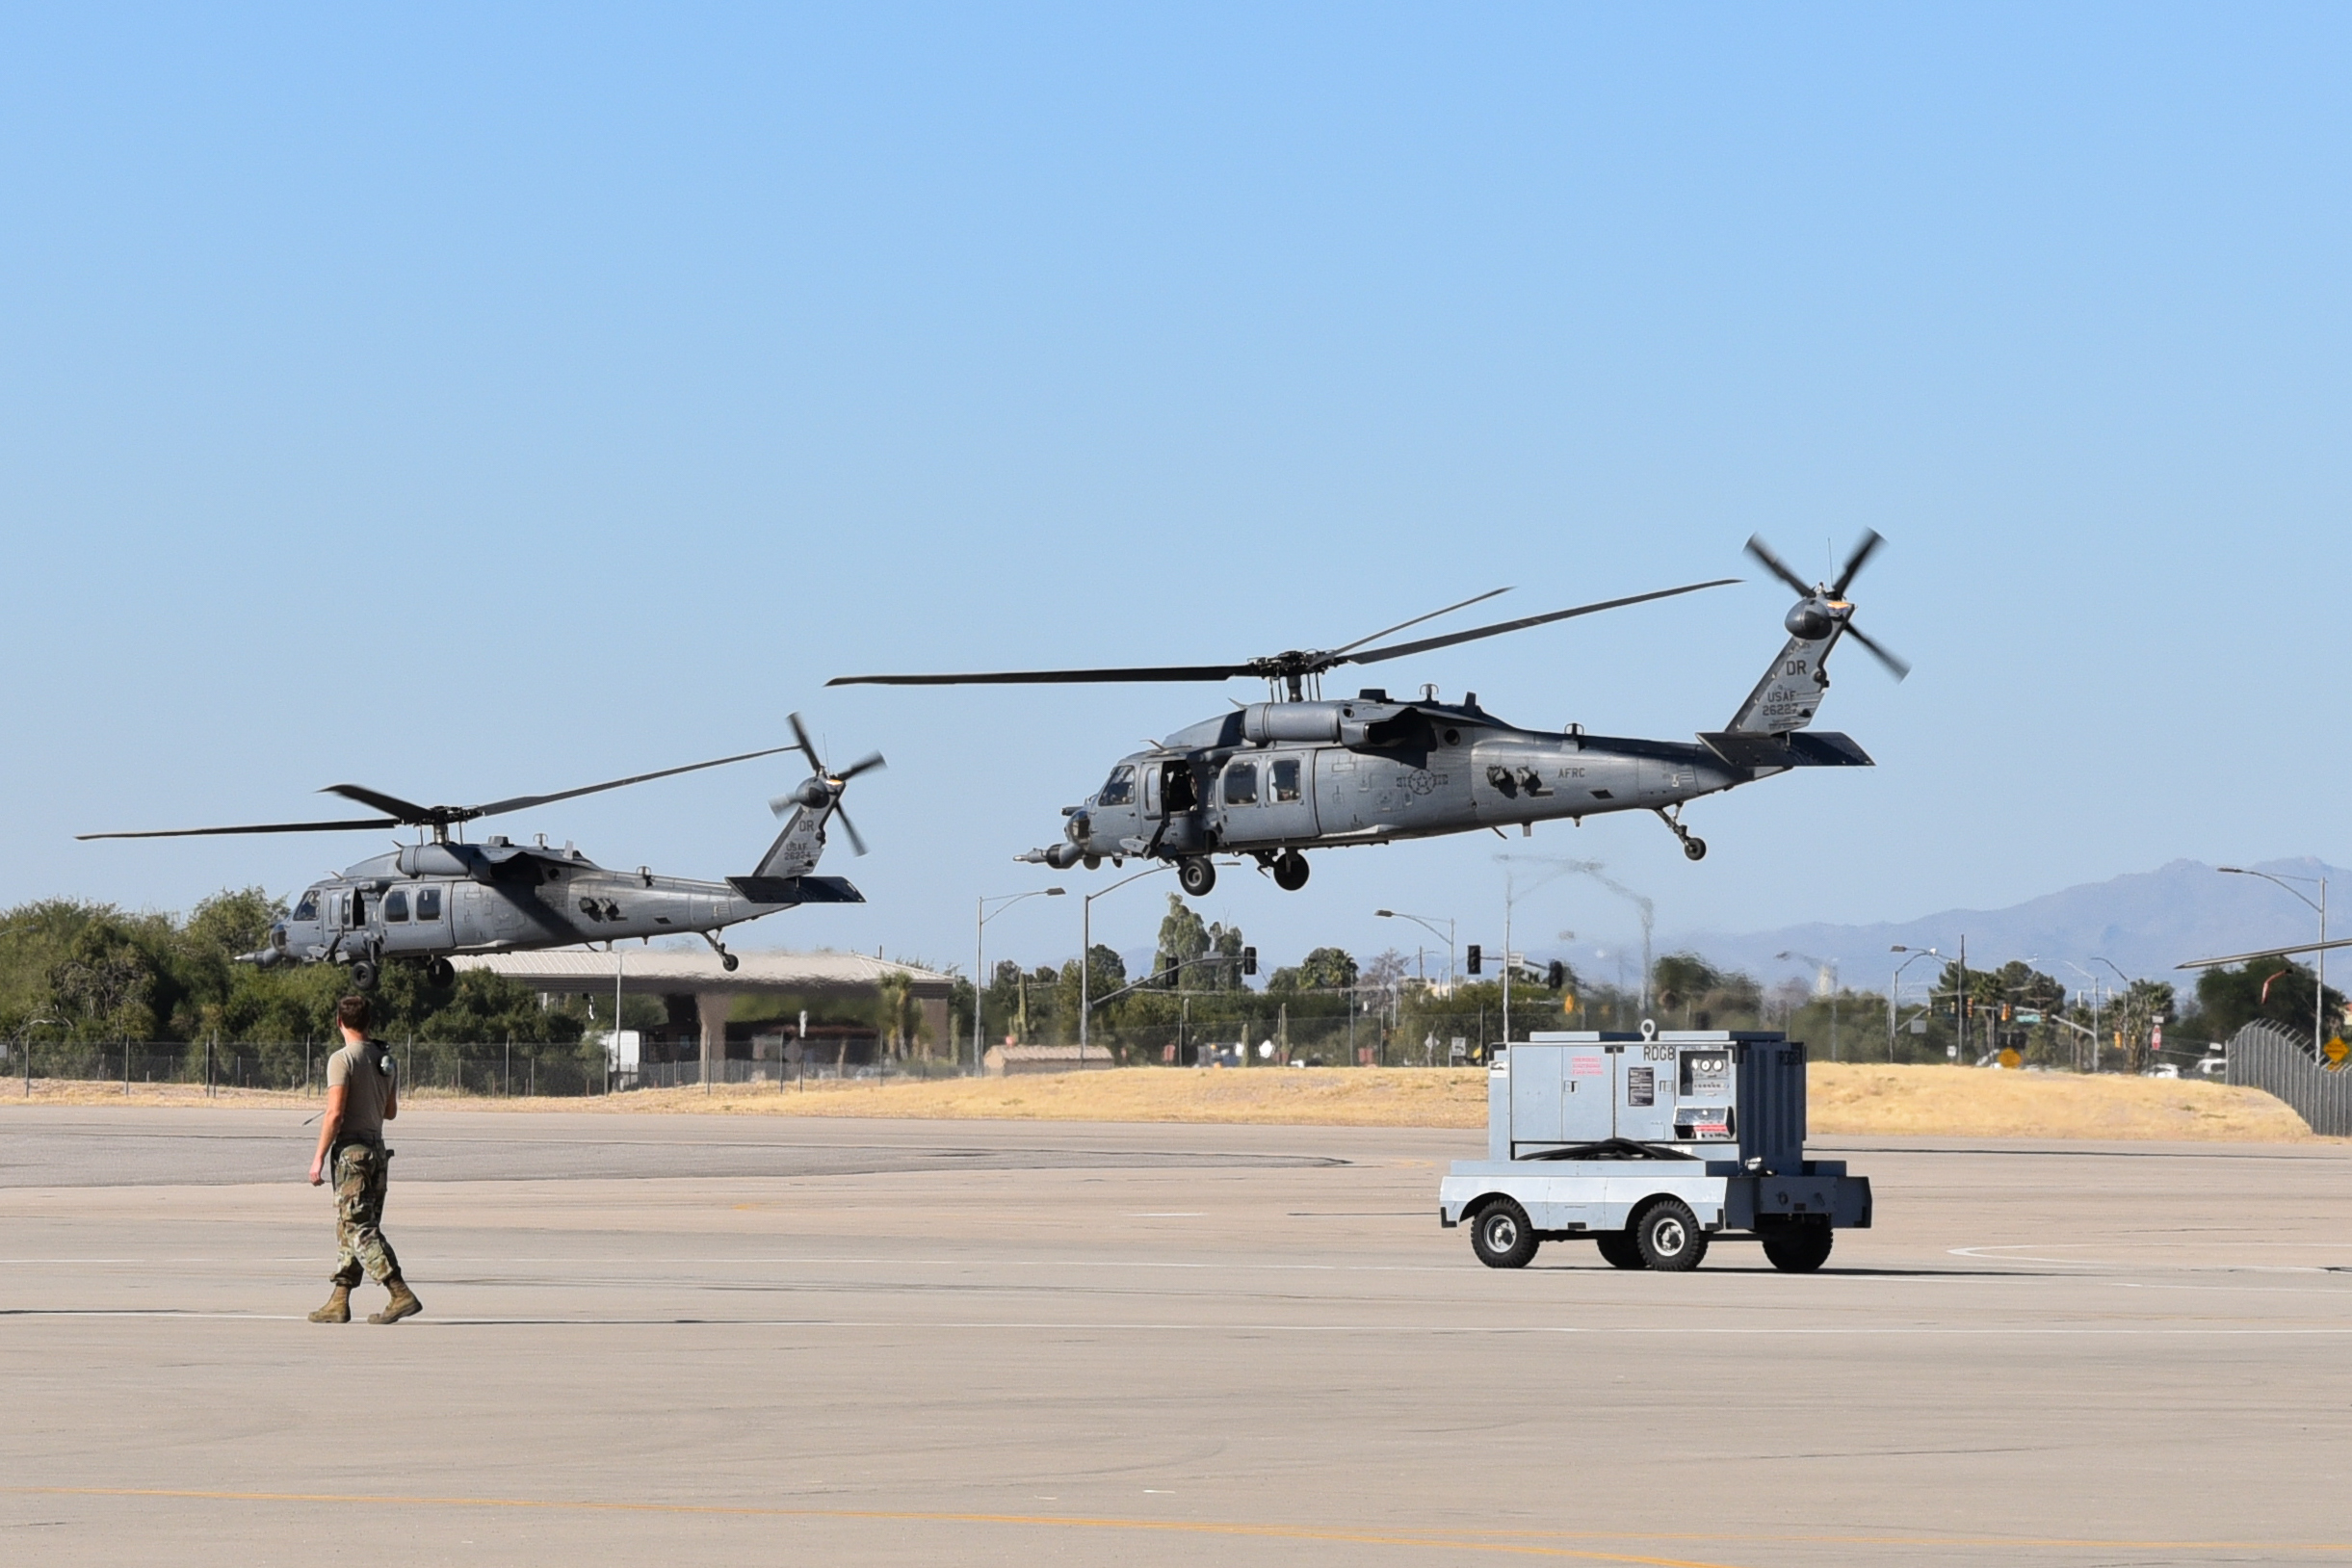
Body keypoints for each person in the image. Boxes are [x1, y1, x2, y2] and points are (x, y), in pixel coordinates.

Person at [306, 994, 422, 1324]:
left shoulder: (342, 1060)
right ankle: (339, 1300)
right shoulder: (385, 1059)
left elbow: (335, 1115)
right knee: (351, 1227)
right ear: (368, 1022)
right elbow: (391, 1112)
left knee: (359, 1228)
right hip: (377, 1152)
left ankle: (399, 1291)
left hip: (351, 1155)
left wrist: (317, 1159)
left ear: (339, 1022)